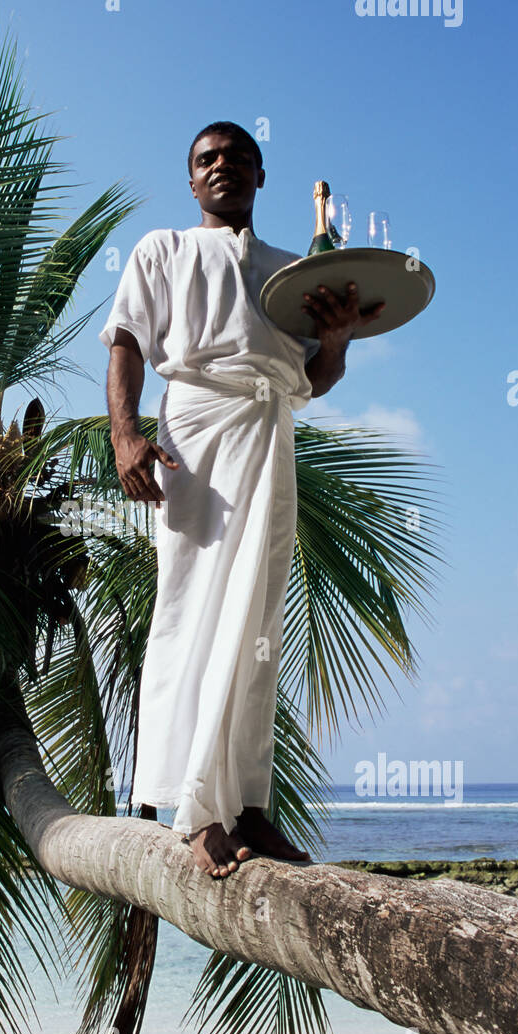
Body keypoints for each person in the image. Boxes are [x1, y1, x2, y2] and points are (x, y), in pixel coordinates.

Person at [99, 121, 384, 878]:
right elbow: (125, 340)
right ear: (192, 181)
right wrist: (125, 435)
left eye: (238, 158)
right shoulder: (161, 250)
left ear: (261, 176)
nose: (222, 166)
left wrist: (338, 341)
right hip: (195, 430)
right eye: (207, 160)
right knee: (189, 608)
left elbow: (314, 380)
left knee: (258, 620)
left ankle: (249, 804)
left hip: (269, 431)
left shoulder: (292, 276)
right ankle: (189, 811)